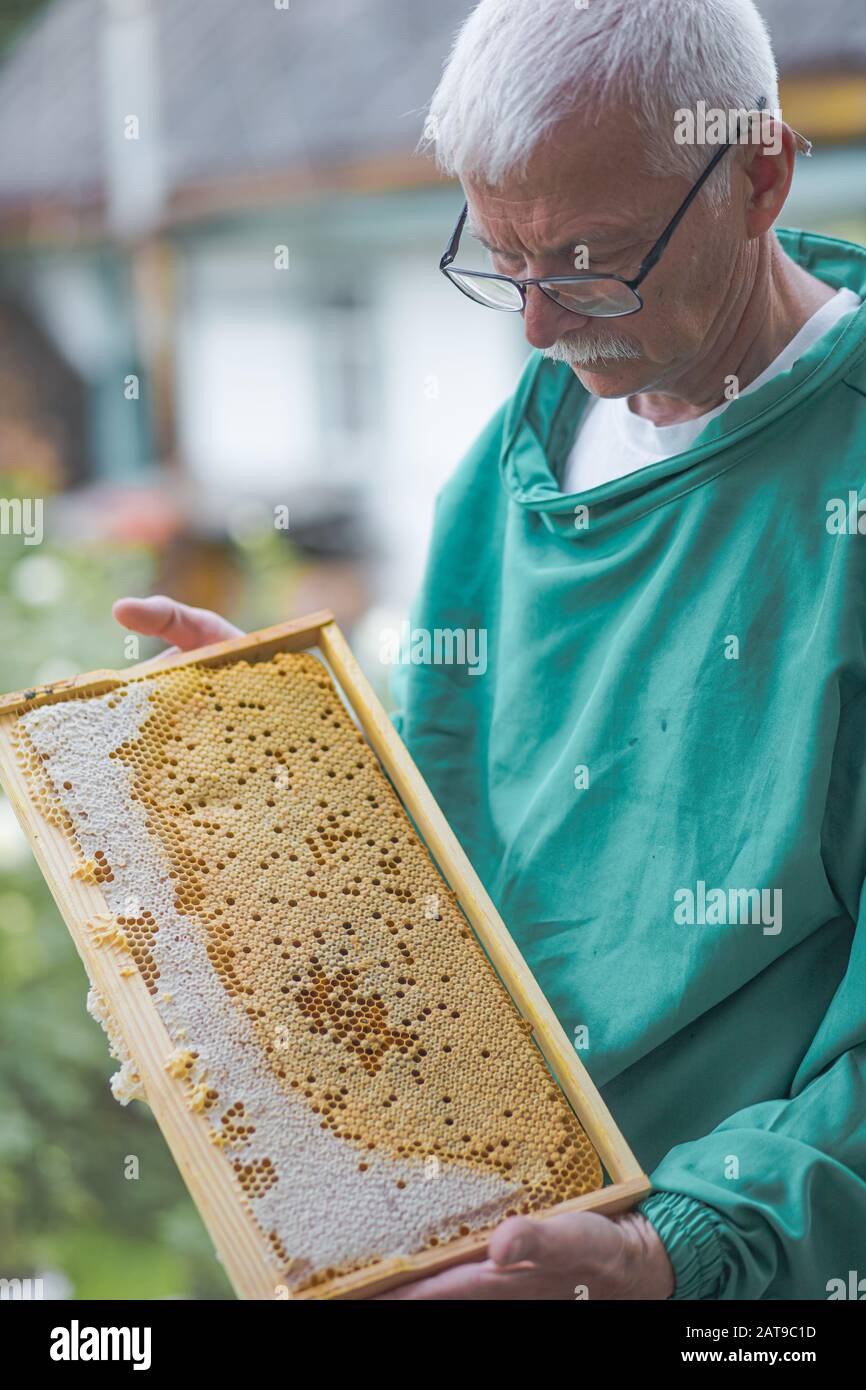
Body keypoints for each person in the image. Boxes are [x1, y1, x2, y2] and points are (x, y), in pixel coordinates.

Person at [115, 0, 866, 1299]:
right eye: (502, 261)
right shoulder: (510, 459)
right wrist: (305, 786)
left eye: (589, 259)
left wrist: (660, 1253)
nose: (534, 325)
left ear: (756, 171)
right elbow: (465, 871)